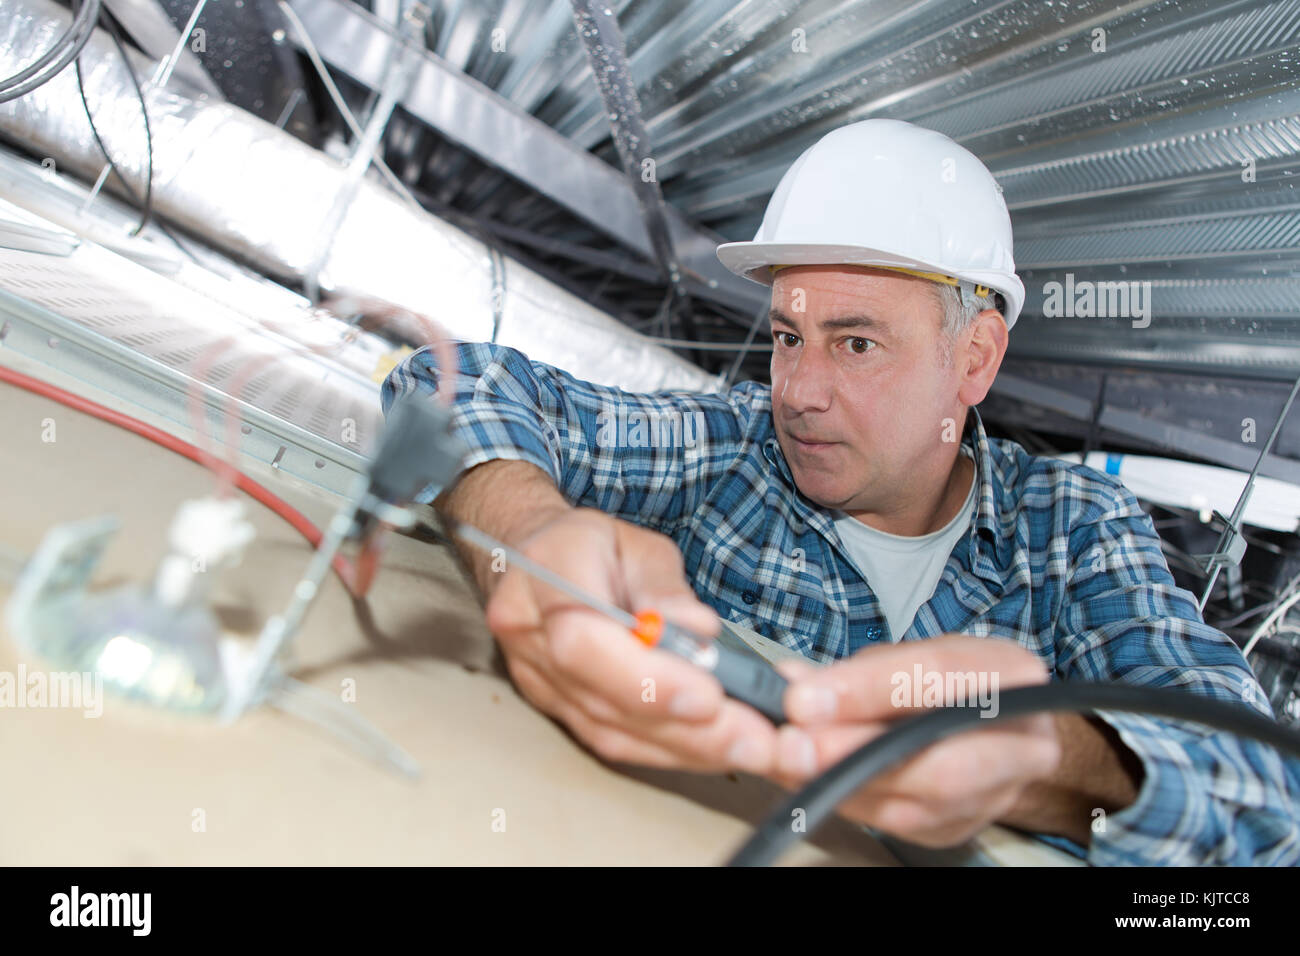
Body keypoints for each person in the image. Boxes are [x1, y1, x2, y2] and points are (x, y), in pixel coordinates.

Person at [381, 119, 1299, 865]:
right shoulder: (733, 455)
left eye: (855, 343)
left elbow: (1268, 794)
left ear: (973, 357)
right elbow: (453, 383)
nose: (799, 391)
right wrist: (526, 534)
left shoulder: (1071, 531)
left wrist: (1050, 764)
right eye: (788, 337)